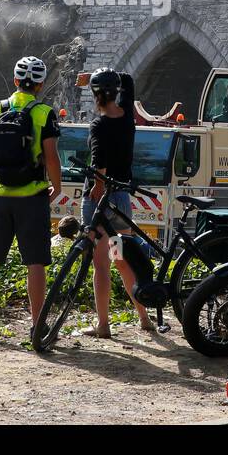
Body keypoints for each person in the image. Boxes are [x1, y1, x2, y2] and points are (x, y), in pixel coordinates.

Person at [0, 55, 61, 339]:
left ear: (15, 81)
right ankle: (36, 325)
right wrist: (56, 188)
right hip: (33, 197)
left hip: (0, 198)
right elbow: (51, 156)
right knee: (35, 262)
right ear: (40, 84)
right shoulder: (44, 112)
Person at [76, 67, 153, 336]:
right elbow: (129, 80)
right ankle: (144, 318)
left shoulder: (100, 125)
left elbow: (99, 162)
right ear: (117, 92)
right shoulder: (126, 119)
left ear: (96, 96)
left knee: (101, 266)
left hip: (101, 201)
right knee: (121, 259)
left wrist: (96, 187)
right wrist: (102, 78)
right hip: (120, 201)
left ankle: (104, 324)